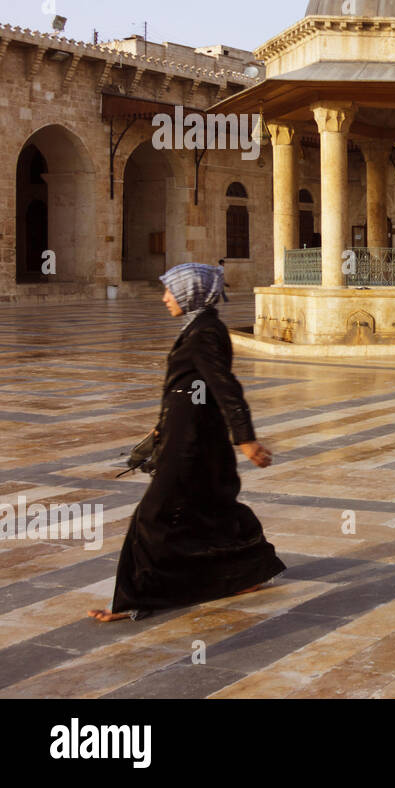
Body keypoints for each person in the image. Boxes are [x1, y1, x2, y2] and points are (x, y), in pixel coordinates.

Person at [89, 263, 284, 621]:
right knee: (213, 507)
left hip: (191, 443)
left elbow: (226, 387)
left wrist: (245, 440)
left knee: (152, 516)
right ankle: (251, 570)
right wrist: (163, 425)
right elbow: (192, 387)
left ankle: (133, 598)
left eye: (171, 291)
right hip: (191, 436)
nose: (165, 298)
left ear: (190, 293)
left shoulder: (204, 332)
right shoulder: (199, 328)